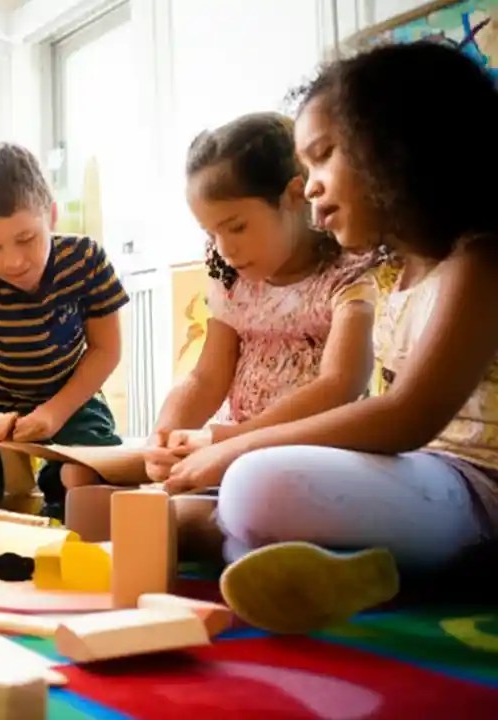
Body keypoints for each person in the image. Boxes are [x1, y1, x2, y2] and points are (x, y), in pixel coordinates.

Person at [164, 41, 498, 634]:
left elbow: (405, 416)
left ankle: (433, 570)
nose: (311, 185)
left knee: (249, 487)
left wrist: (236, 446)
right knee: (191, 510)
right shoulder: (398, 271)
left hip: (479, 496)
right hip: (429, 476)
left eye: (321, 157)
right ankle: (352, 573)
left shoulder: (479, 258)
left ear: (396, 147)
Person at [145, 112, 378, 485]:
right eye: (212, 233)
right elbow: (207, 377)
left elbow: (341, 383)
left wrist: (231, 442)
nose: (225, 248)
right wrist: (165, 435)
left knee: (184, 521)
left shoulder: (345, 273)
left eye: (236, 227)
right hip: (230, 446)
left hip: (311, 453)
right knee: (92, 484)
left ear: (294, 196)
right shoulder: (232, 278)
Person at [0, 142, 129, 524]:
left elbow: (106, 349)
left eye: (27, 239)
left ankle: (58, 483)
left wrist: (54, 413)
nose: (13, 261)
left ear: (50, 215)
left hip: (71, 398)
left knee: (90, 480)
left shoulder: (86, 260)